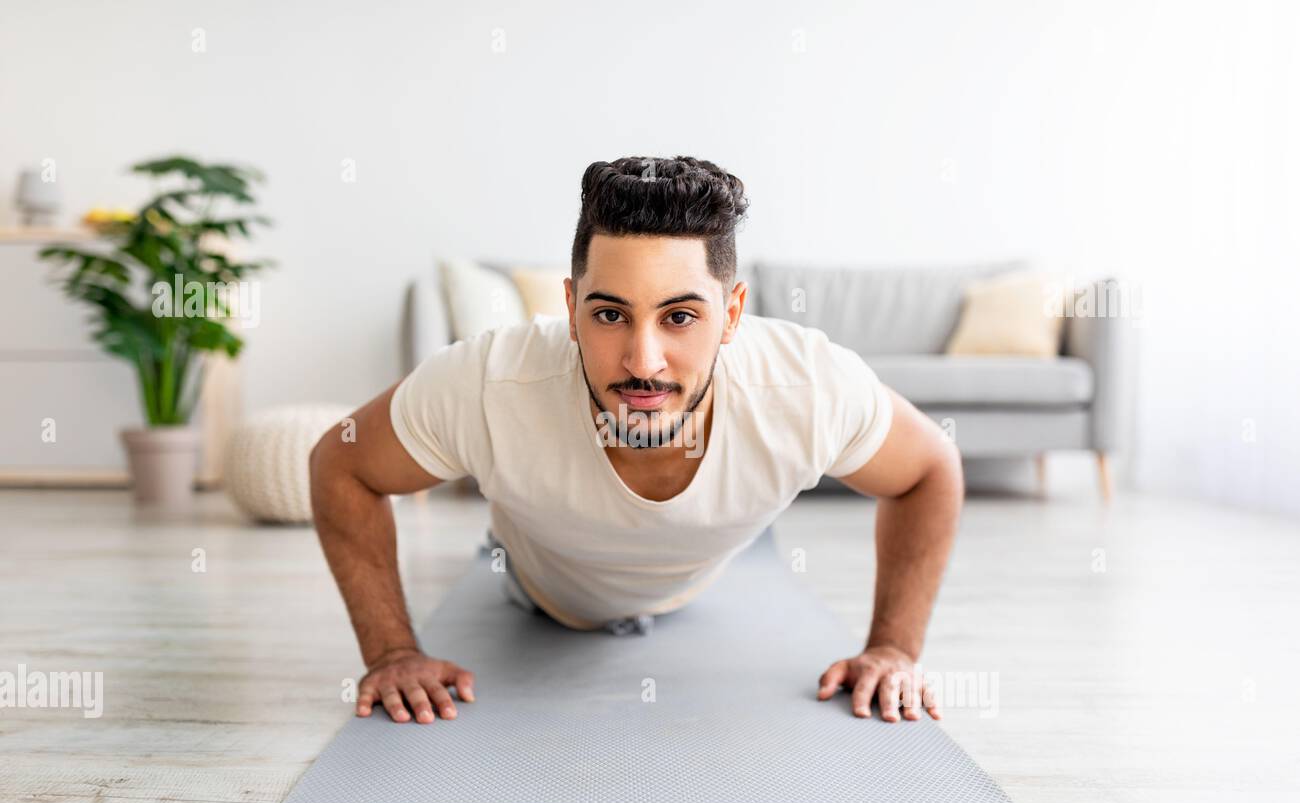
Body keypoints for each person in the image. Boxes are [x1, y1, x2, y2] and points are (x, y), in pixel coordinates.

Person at [308, 156, 962, 729]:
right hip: (541, 590)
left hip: (702, 573)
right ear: (570, 308)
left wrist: (895, 649)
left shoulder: (808, 386)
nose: (643, 362)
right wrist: (392, 653)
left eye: (680, 316)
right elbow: (340, 462)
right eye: (609, 314)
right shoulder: (486, 382)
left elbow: (930, 467)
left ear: (731, 315)